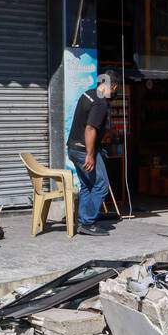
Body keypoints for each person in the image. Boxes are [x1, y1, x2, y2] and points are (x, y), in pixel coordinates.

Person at [66, 69, 119, 237]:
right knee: (101, 185)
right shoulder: (101, 102)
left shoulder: (88, 94)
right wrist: (90, 154)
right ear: (114, 85)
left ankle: (83, 222)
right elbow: (90, 128)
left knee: (88, 185)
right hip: (84, 150)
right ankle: (88, 221)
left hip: (74, 148)